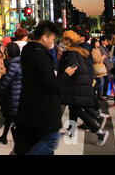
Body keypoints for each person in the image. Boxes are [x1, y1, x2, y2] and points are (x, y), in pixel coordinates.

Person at [14, 21, 77, 155]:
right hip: (43, 107)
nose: (53, 42)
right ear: (45, 37)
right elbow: (50, 83)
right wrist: (66, 74)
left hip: (30, 105)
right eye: (52, 39)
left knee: (36, 141)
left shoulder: (29, 51)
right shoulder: (41, 55)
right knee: (51, 140)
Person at [59, 31, 109, 146]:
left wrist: (63, 77)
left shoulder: (71, 53)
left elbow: (72, 69)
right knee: (74, 109)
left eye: (64, 39)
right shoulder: (79, 51)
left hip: (75, 86)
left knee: (76, 110)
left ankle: (99, 131)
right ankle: (71, 132)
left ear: (68, 41)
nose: (62, 41)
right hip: (80, 85)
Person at [0, 42, 22, 145]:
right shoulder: (19, 62)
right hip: (17, 92)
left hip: (13, 94)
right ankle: (4, 136)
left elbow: (7, 81)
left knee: (13, 117)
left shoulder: (13, 65)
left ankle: (19, 141)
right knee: (9, 117)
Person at [99, 36, 113, 100]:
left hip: (107, 67)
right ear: (102, 42)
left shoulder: (105, 48)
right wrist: (108, 66)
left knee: (107, 81)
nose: (107, 42)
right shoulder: (101, 48)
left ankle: (105, 94)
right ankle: (102, 94)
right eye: (106, 40)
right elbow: (104, 59)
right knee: (104, 81)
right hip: (104, 67)